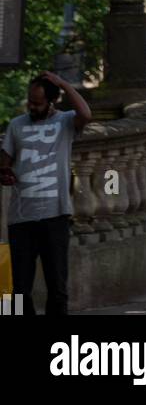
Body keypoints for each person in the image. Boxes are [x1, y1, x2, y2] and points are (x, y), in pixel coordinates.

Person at [0, 72, 91, 315]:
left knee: (57, 287)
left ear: (51, 102)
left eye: (37, 102)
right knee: (18, 289)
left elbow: (86, 114)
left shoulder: (65, 122)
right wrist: (5, 172)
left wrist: (63, 83)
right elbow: (4, 163)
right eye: (29, 101)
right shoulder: (16, 125)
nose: (31, 106)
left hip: (56, 216)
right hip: (21, 218)